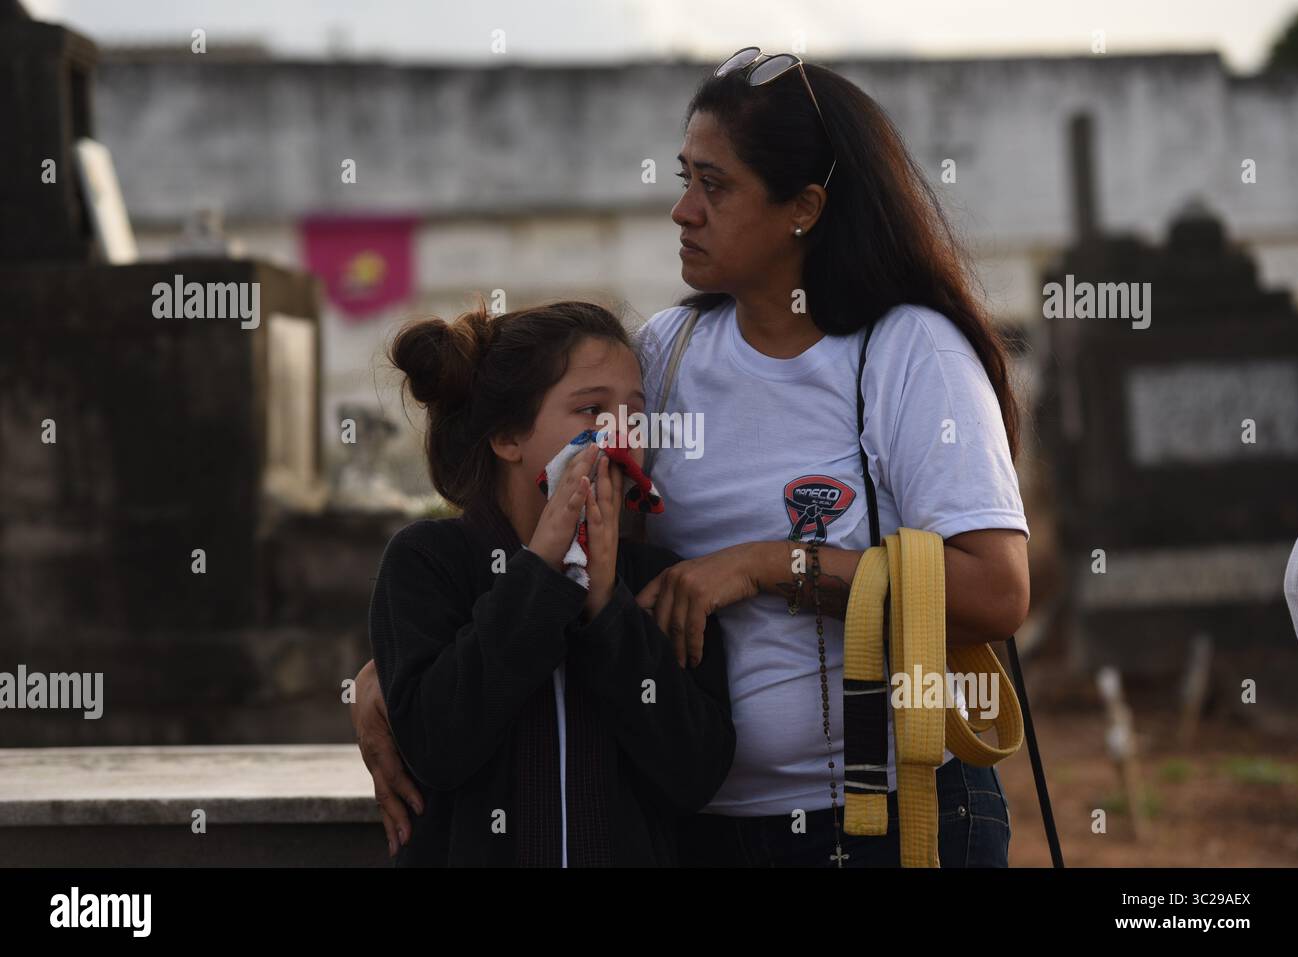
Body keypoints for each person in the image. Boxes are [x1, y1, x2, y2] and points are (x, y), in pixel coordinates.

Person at [354, 48, 1030, 867]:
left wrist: (761, 565)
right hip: (694, 821)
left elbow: (996, 592)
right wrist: (398, 663)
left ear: (803, 208)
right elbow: (576, 553)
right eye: (684, 178)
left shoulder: (906, 352)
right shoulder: (666, 356)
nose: (683, 210)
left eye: (716, 186)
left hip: (878, 814)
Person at [366, 299, 734, 866]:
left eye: (634, 416)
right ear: (508, 436)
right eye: (591, 411)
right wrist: (539, 573)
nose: (618, 434)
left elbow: (694, 774)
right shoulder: (428, 561)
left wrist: (607, 606)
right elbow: (438, 747)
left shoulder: (658, 577)